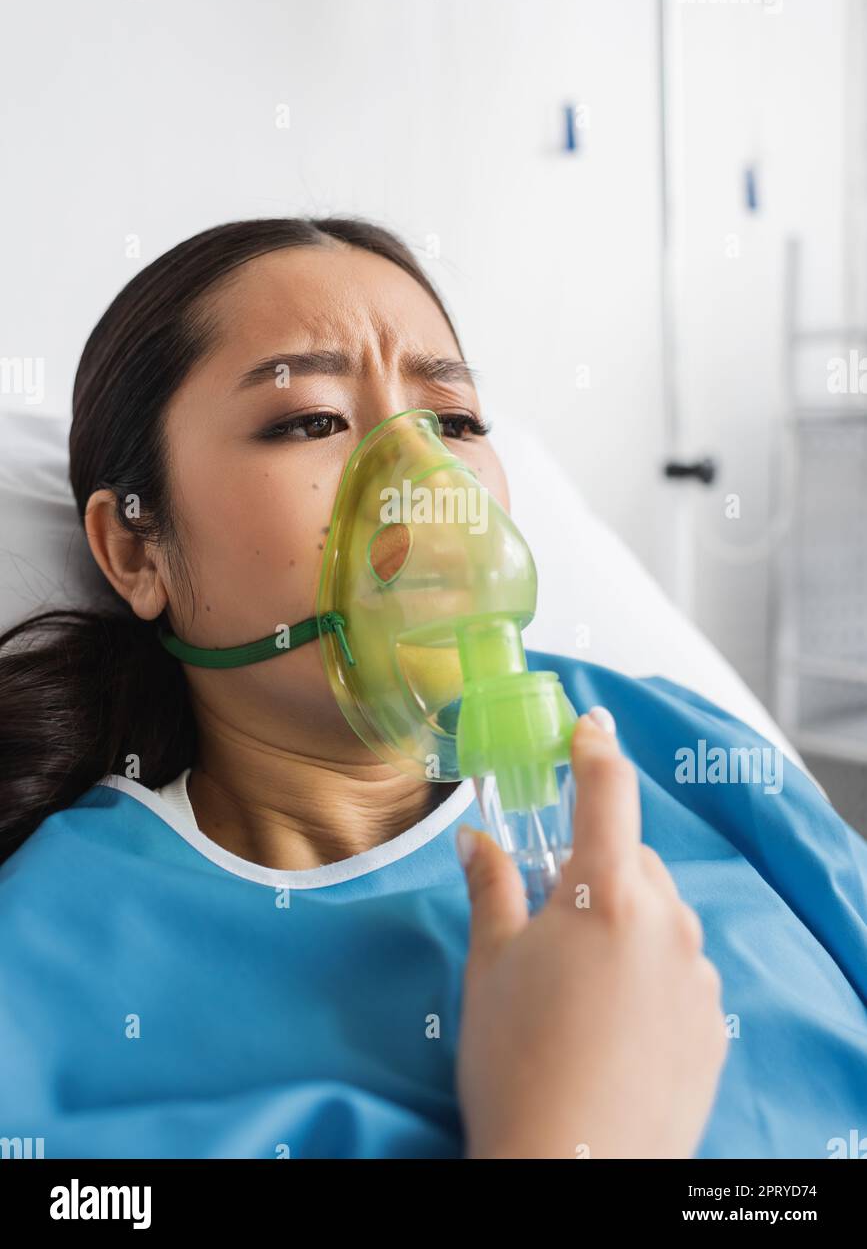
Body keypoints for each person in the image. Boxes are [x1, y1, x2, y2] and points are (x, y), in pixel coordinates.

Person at [0, 218, 863, 1160]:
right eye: (310, 421)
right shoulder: (54, 963)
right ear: (134, 547)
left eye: (452, 422)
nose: (428, 483)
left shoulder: (667, 746)